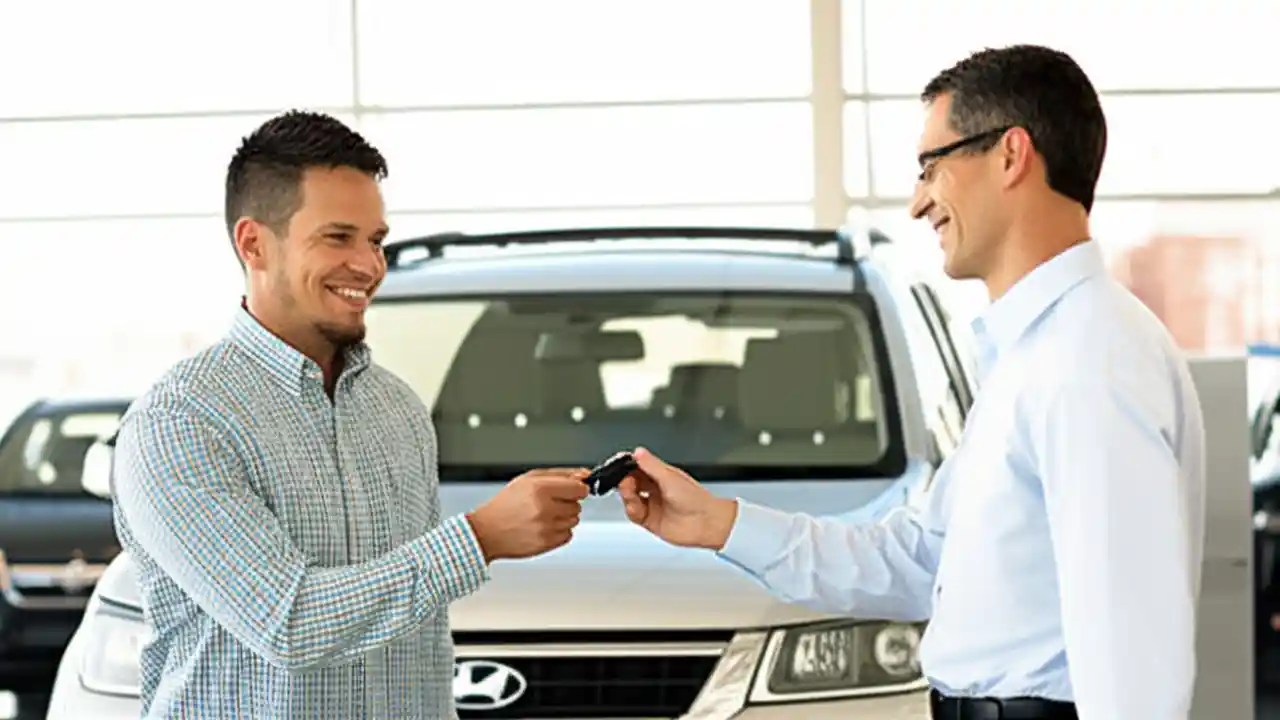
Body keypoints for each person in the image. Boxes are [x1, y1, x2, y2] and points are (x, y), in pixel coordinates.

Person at [618, 44, 1205, 720]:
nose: (918, 200)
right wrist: (720, 523)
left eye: (933, 166)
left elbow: (1131, 657)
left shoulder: (1088, 361)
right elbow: (922, 558)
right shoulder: (1034, 355)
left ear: (1011, 155)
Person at [111, 110, 590, 719]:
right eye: (338, 237)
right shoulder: (181, 422)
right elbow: (289, 623)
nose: (368, 265)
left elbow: (421, 643)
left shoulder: (398, 410)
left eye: (376, 240)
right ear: (254, 243)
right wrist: (480, 539)